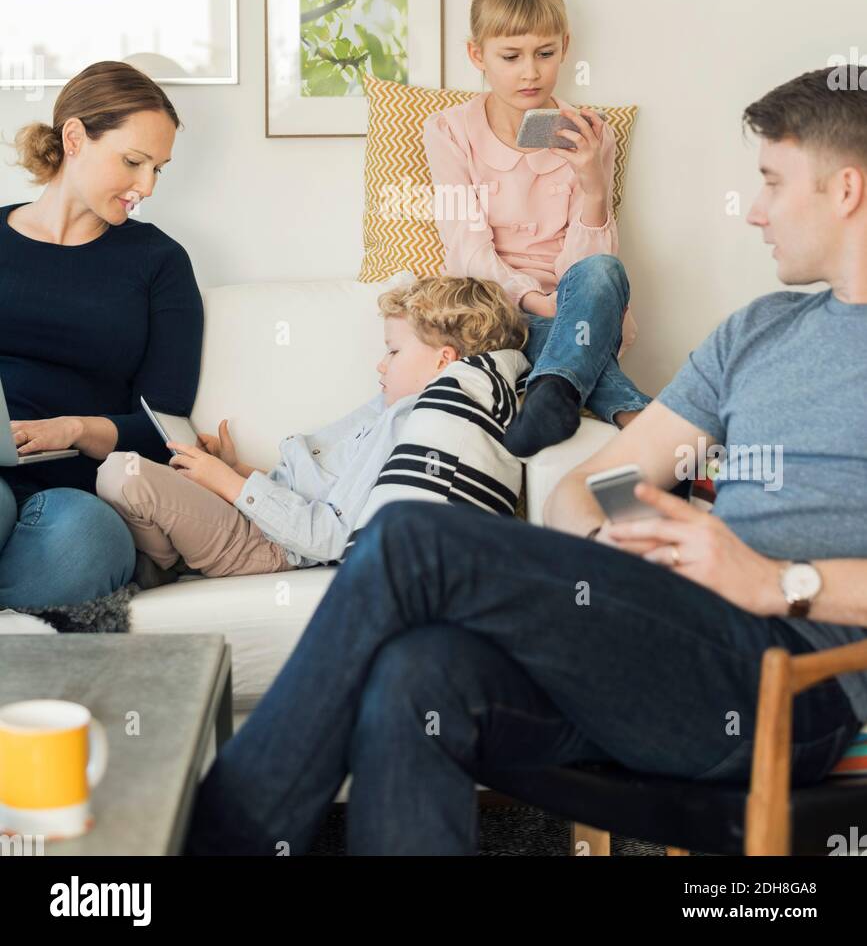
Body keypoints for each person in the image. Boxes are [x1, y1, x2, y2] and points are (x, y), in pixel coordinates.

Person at [183, 65, 867, 857]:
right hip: (666, 643)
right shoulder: (758, 332)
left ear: (845, 189)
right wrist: (636, 534)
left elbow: (770, 583)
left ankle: (216, 846)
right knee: (417, 674)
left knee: (411, 538)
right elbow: (591, 483)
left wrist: (776, 581)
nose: (752, 211)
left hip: (792, 684)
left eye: (772, 183)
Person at [95, 276, 527, 579]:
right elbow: (315, 493)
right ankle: (165, 561)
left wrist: (227, 483)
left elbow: (328, 536)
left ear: (443, 361)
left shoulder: (411, 424)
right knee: (136, 474)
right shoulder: (388, 409)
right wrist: (237, 470)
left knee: (121, 474)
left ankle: (167, 567)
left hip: (271, 543)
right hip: (260, 515)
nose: (381, 364)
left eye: (393, 351)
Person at [421, 0, 651, 457]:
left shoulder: (592, 134)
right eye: (511, 56)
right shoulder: (448, 131)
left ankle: (554, 393)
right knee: (560, 327)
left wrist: (592, 182)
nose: (530, 72)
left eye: (545, 54)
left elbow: (591, 268)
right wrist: (533, 301)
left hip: (576, 301)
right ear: (477, 54)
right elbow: (465, 248)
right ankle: (639, 421)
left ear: (564, 47)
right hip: (492, 302)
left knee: (604, 271)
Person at [0, 61, 204, 608]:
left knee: (89, 545)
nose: (147, 187)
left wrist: (72, 429)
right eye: (134, 162)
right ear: (74, 139)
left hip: (79, 492)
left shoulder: (159, 262)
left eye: (158, 169)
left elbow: (166, 424)